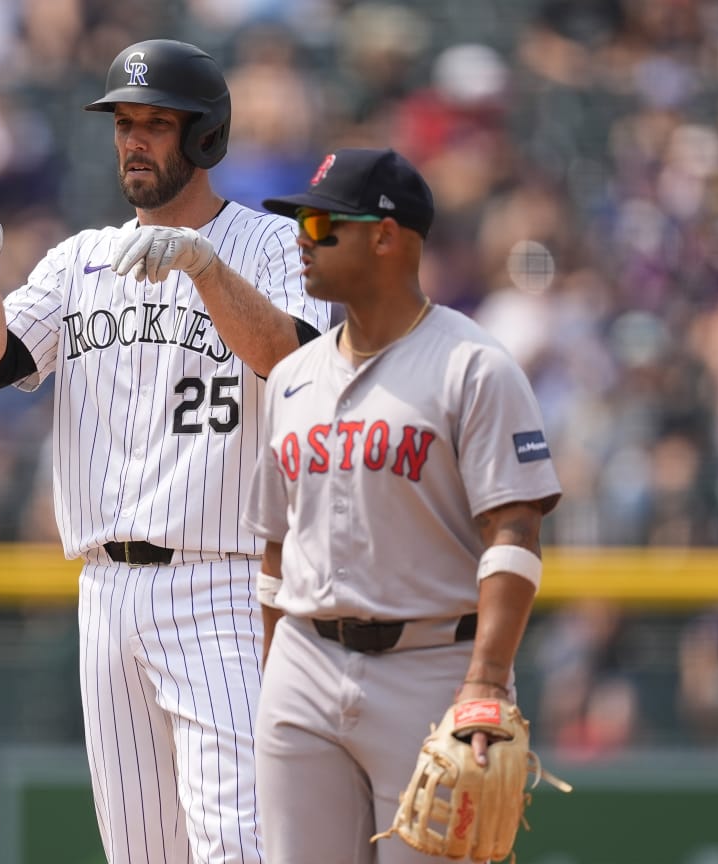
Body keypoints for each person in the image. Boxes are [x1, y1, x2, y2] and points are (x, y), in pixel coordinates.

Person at [0, 39, 330, 864]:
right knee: (143, 852)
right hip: (106, 593)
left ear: (205, 136)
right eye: (124, 124)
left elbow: (296, 361)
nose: (135, 141)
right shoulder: (80, 260)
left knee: (244, 846)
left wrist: (204, 267)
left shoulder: (271, 246)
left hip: (224, 587)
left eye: (156, 123)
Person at [242, 147, 562, 863]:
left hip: (432, 669)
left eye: (322, 224)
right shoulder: (291, 378)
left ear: (386, 236)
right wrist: (273, 676)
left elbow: (515, 528)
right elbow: (274, 547)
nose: (303, 239)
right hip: (304, 665)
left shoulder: (474, 367)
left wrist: (485, 680)